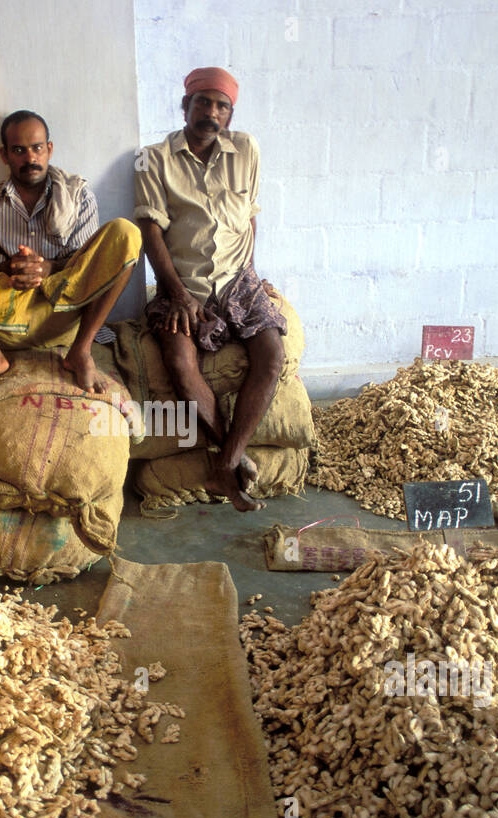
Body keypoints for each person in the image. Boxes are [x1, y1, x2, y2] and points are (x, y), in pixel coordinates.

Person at [134, 67, 287, 511]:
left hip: (238, 280)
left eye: (222, 106)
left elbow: (251, 215)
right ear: (186, 107)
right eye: (203, 103)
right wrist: (178, 294)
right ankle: (233, 461)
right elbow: (149, 230)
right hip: (182, 283)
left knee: (272, 355)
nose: (211, 113)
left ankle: (227, 462)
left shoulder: (247, 149)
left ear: (230, 114)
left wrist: (254, 274)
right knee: (181, 366)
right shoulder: (152, 158)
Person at [0, 110, 142, 391]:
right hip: (1, 319)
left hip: (63, 315)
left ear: (49, 149)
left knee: (126, 233)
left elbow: (85, 264)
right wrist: (10, 269)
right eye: (19, 150)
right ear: (4, 155)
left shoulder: (78, 196)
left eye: (37, 148)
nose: (30, 158)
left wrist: (47, 268)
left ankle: (80, 351)